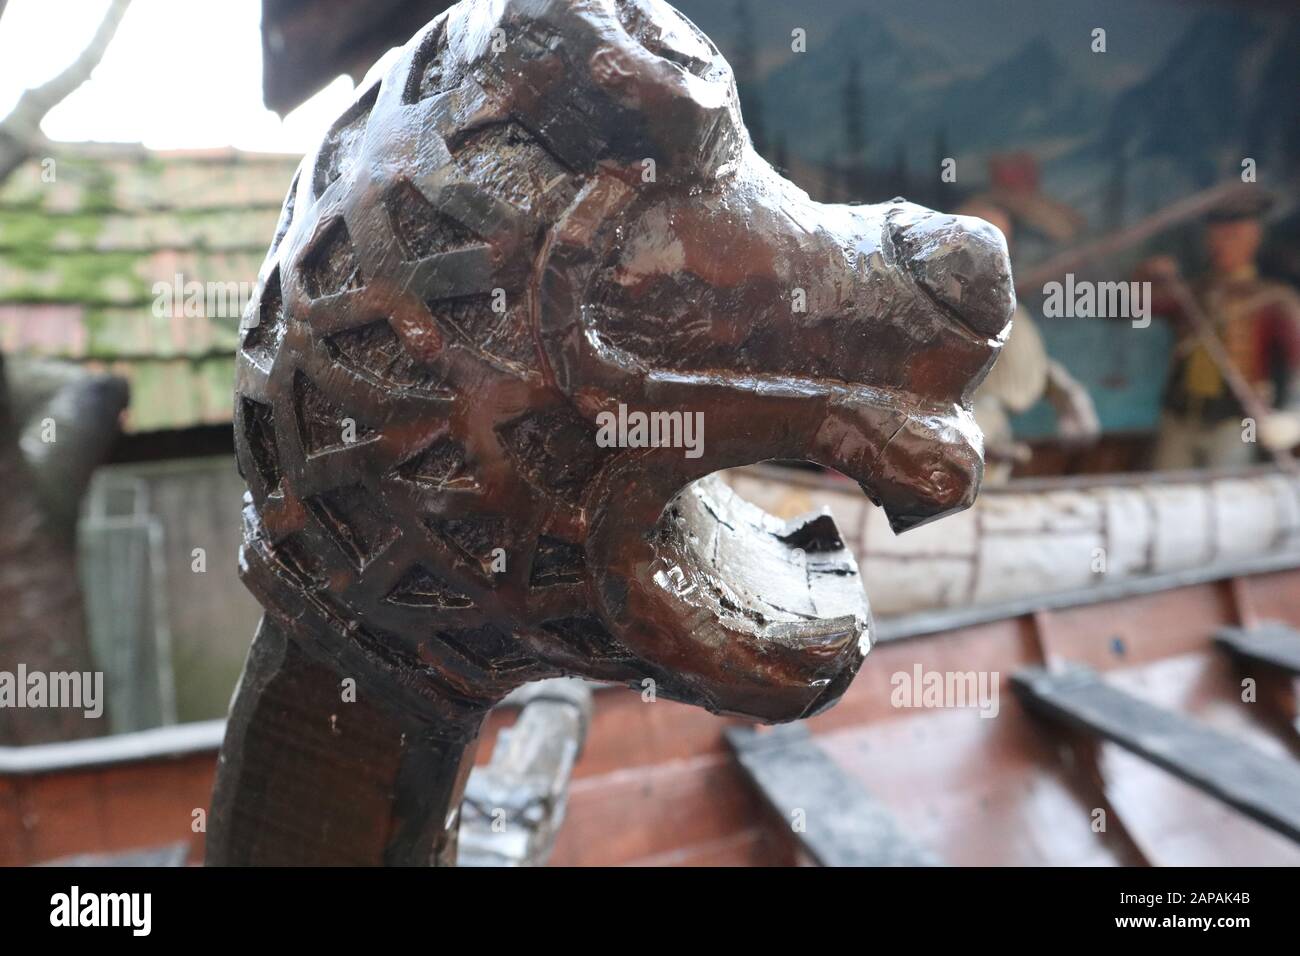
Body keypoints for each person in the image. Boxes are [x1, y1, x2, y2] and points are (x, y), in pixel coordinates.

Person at [1138, 191, 1300, 470]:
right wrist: (1145, 277)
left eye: (1233, 235)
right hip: (1180, 418)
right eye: (1216, 235)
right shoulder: (1190, 291)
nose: (1222, 244)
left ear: (1254, 238)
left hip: (1236, 423)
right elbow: (1124, 308)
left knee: (1229, 498)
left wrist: (1293, 417)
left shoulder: (1274, 299)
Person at [958, 199, 1100, 484]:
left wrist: (1067, 393)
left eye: (1002, 238)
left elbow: (1027, 359)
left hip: (998, 420)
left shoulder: (1003, 297)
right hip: (974, 421)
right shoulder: (949, 299)